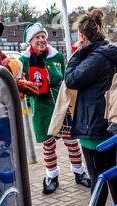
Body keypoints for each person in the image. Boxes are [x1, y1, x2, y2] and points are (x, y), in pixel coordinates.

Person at [65, 10, 117, 206]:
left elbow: (71, 79)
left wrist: (75, 54)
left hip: (93, 125)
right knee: (112, 173)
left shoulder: (96, 58)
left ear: (83, 36)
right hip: (108, 122)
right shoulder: (108, 52)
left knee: (97, 176)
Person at [19, 22, 90, 194]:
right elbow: (20, 82)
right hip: (41, 106)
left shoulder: (56, 57)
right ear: (30, 41)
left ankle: (79, 173)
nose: (42, 40)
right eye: (38, 37)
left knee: (71, 140)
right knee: (48, 143)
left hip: (61, 103)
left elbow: (67, 76)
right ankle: (52, 177)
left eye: (43, 36)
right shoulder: (23, 60)